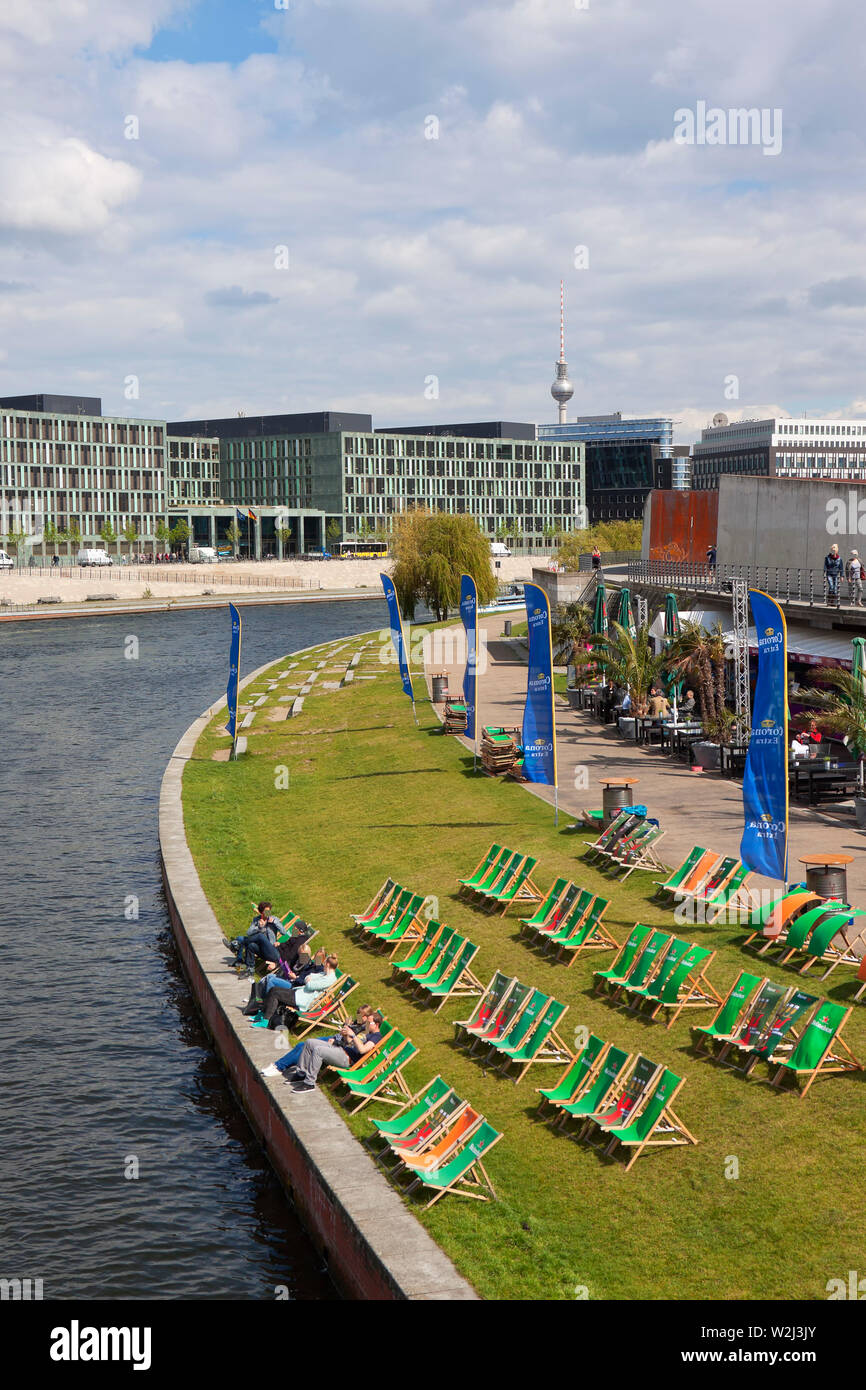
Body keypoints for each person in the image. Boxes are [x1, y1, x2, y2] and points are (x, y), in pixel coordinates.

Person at [287, 1011, 385, 1092]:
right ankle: (301, 1074)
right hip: (341, 1049)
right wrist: (345, 1035)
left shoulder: (376, 1036)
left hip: (347, 1059)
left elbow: (362, 1050)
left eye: (368, 1022)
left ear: (376, 1025)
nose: (365, 1024)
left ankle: (309, 1083)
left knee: (318, 1050)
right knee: (309, 1042)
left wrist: (353, 1035)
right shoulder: (366, 1030)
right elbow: (350, 1042)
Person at [256, 953, 339, 1028]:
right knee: (274, 990)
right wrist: (309, 980)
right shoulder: (323, 974)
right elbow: (309, 976)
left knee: (275, 993)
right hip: (300, 992)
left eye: (324, 964)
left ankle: (265, 1020)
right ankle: (262, 1015)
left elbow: (310, 985)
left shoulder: (330, 979)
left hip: (303, 999)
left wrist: (310, 981)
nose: (323, 965)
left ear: (327, 965)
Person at [224, 902, 283, 974]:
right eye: (266, 911)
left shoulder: (274, 919)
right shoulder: (257, 920)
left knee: (259, 936)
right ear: (261, 912)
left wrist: (274, 922)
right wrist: (259, 927)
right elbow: (248, 932)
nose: (268, 913)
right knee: (243, 940)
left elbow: (284, 932)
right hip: (260, 948)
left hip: (270, 949)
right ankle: (242, 963)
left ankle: (235, 945)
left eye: (269, 911)